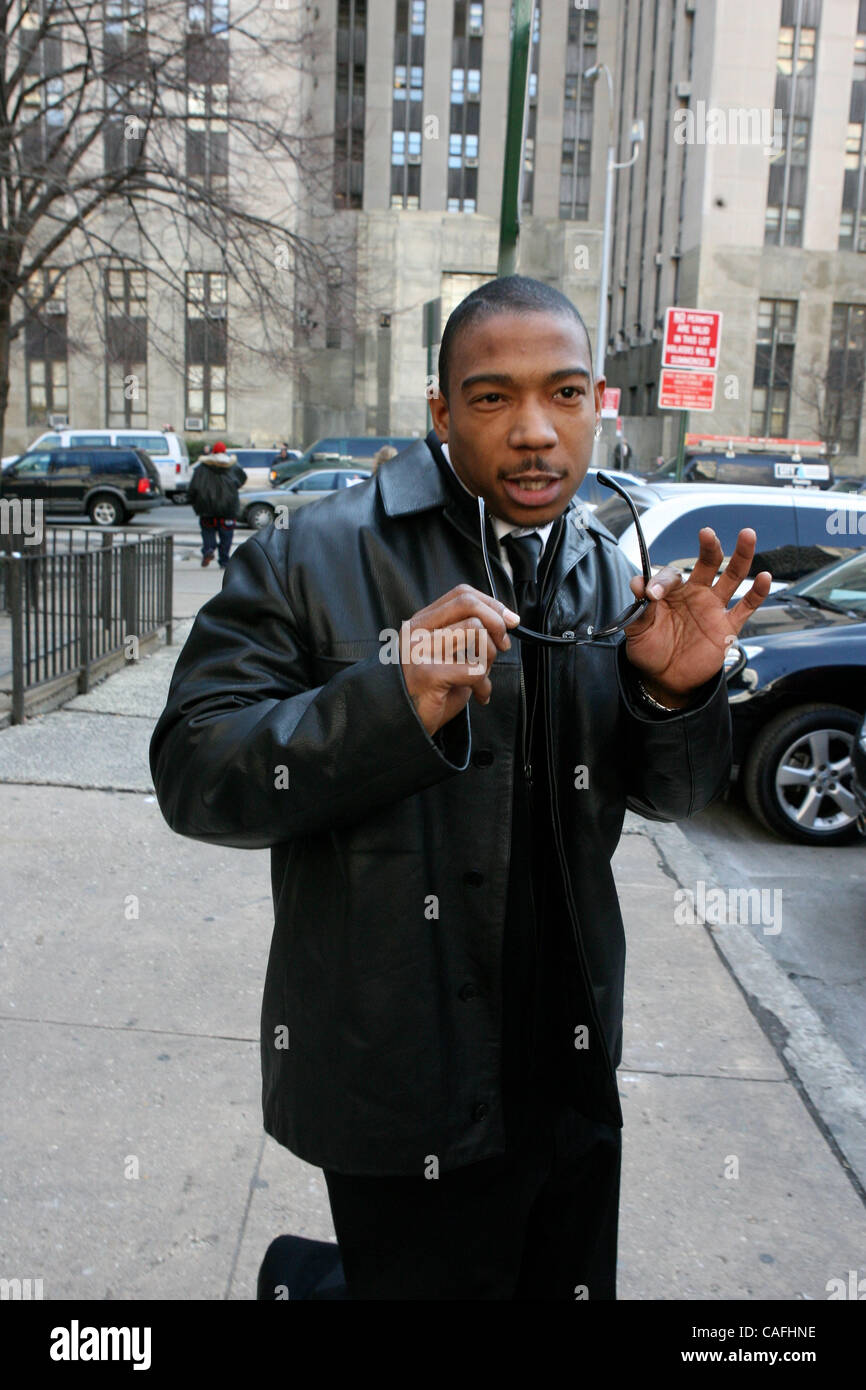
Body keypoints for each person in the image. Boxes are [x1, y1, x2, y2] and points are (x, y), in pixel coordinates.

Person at [149, 276, 771, 1301]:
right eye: (492, 397)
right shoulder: (312, 554)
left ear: (598, 404)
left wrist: (676, 695)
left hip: (568, 1062)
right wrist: (385, 702)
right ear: (442, 414)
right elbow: (194, 771)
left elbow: (668, 796)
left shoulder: (605, 573)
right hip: (403, 1068)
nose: (534, 430)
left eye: (563, 393)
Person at [186, 441, 247, 569]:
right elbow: (242, 478)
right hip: (228, 508)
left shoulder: (202, 468)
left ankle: (208, 549)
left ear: (213, 452)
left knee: (207, 531)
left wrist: (192, 500)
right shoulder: (233, 467)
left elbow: (193, 487)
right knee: (226, 536)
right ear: (225, 452)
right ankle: (224, 560)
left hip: (206, 507)